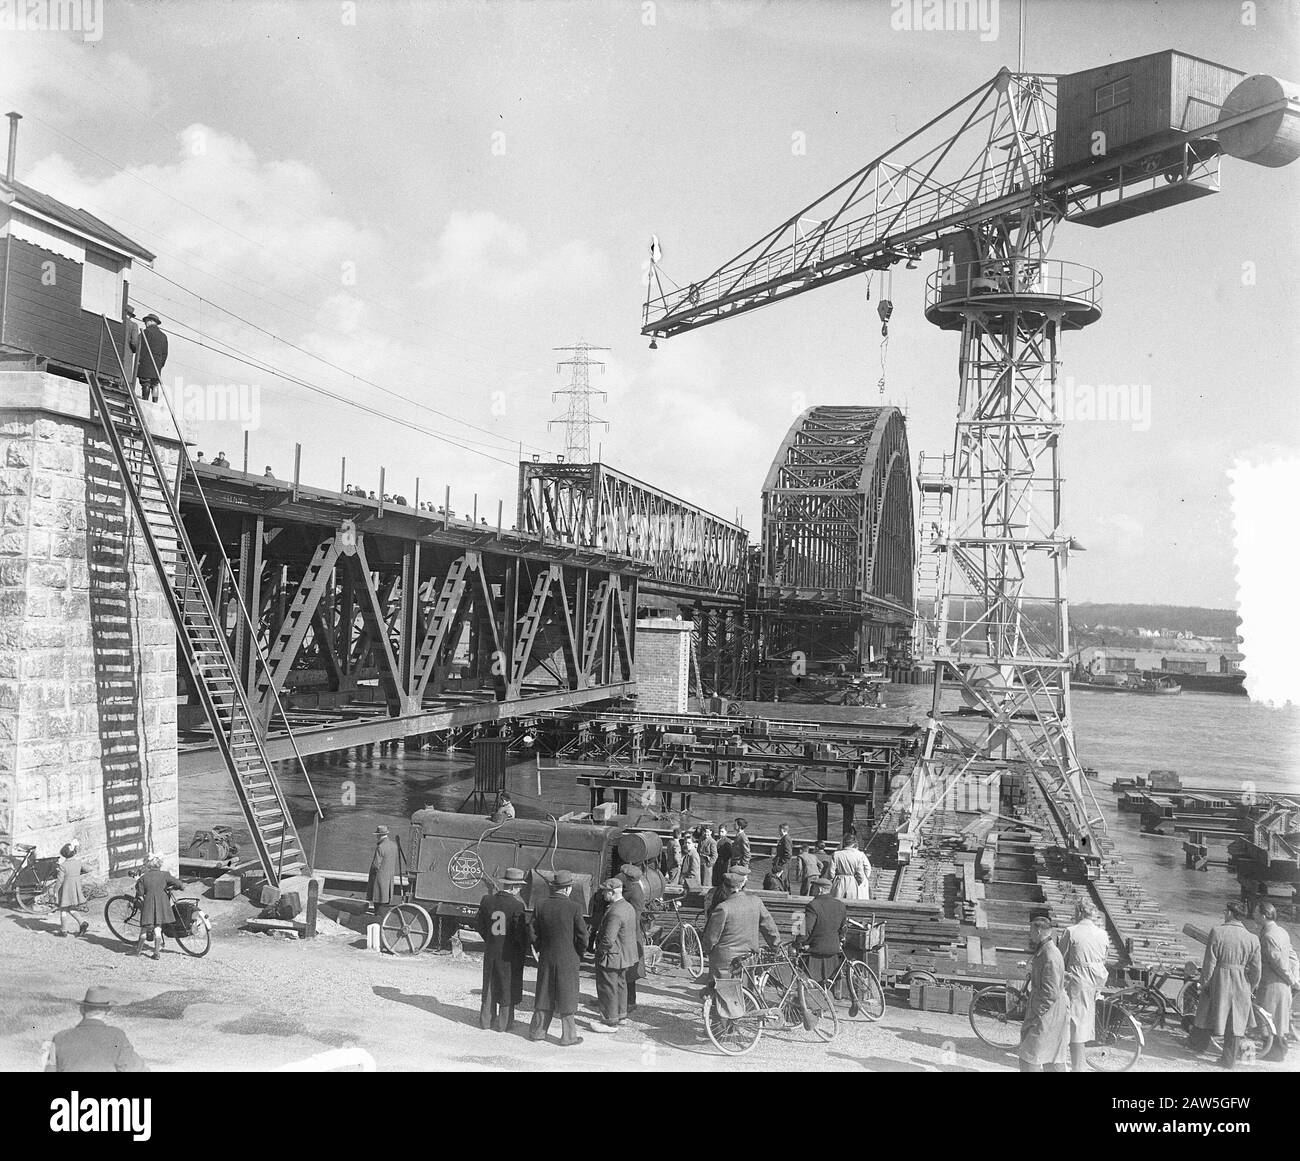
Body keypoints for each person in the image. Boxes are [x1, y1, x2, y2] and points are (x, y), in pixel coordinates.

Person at [1188, 899, 1262, 1068]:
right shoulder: (1253, 938)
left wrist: (1204, 984)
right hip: (1242, 982)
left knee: (1211, 1012)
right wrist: (1252, 986)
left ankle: (1198, 1045)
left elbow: (1210, 963)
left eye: (1225, 911)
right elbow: (1257, 969)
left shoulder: (1217, 932)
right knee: (1236, 1022)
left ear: (1229, 913)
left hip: (1220, 980)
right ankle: (1229, 1060)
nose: (1223, 913)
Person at [529, 870, 588, 1046]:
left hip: (547, 956)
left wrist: (540, 947)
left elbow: (532, 932)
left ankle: (538, 1032)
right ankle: (568, 1037)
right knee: (567, 995)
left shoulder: (540, 905)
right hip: (569, 958)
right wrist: (579, 952)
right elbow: (583, 936)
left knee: (544, 993)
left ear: (555, 888)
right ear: (568, 889)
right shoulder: (575, 908)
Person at [473, 867, 530, 1033]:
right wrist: (520, 950)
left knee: (489, 985)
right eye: (519, 886)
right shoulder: (517, 905)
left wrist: (491, 939)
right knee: (507, 986)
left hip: (491, 950)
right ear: (513, 887)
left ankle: (485, 1021)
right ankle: (504, 1024)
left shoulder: (487, 900)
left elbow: (479, 925)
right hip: (509, 954)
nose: (520, 890)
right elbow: (520, 934)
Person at [1058, 900, 1112, 1072]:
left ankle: (1075, 1068)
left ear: (1080, 912)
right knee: (1081, 1023)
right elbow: (1105, 958)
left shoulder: (1071, 932)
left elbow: (1060, 958)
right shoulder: (1102, 934)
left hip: (1077, 980)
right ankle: (1075, 1065)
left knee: (1074, 1026)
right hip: (1096, 980)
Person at [701, 869, 781, 982]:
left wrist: (707, 950)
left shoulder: (723, 908)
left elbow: (711, 937)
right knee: (746, 990)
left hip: (725, 961)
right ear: (742, 885)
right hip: (749, 957)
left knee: (722, 993)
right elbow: (769, 927)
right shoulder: (756, 902)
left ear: (725, 888)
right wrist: (776, 946)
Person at [45, 987, 148, 1072]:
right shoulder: (116, 1036)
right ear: (108, 1011)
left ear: (82, 1010)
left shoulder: (60, 1037)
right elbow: (138, 1069)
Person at [1019, 916, 1070, 1072]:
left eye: (1031, 931)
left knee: (1032, 1055)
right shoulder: (1044, 950)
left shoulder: (1050, 954)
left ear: (1038, 930)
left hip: (1048, 1012)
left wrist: (1036, 1012)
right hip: (1049, 1010)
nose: (1029, 935)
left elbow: (1051, 991)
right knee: (1048, 1056)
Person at [591, 878, 637, 1032]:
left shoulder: (615, 912)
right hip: (625, 955)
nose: (603, 894)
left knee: (607, 987)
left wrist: (600, 952)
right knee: (621, 985)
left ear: (612, 892)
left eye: (605, 891)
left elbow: (608, 938)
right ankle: (621, 1015)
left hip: (612, 956)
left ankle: (609, 1022)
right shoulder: (628, 907)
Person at [800, 877, 853, 1011]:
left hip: (815, 949)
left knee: (804, 969)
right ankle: (825, 998)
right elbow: (843, 928)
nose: (812, 891)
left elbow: (806, 929)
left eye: (813, 888)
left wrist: (800, 943)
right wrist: (839, 940)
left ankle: (810, 1003)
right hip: (833, 949)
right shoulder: (840, 905)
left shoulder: (813, 905)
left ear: (819, 889)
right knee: (827, 977)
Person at [1256, 902, 1298, 1062]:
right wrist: (1294, 977)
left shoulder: (1268, 936)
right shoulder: (1282, 932)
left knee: (1268, 1020)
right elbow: (1292, 956)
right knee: (1278, 1021)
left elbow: (1278, 963)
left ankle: (1274, 1054)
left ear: (1263, 916)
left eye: (1255, 912)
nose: (1253, 915)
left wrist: (1291, 979)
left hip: (1272, 985)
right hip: (1282, 986)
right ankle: (1277, 1052)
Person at [134, 855, 184, 960]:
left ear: (148, 866)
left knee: (145, 928)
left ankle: (138, 951)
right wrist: (181, 886)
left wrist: (137, 882)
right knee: (158, 927)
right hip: (162, 903)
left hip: (149, 904)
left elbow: (140, 893)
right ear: (160, 865)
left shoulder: (144, 878)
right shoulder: (165, 875)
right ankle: (156, 953)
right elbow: (176, 882)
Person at [618, 863, 647, 1010]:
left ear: (627, 877)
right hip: (633, 933)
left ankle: (629, 1002)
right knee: (629, 969)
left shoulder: (630, 891)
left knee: (628, 970)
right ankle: (624, 1000)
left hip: (629, 934)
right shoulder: (635, 888)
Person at [55, 840, 89, 938]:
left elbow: (60, 880)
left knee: (63, 910)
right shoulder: (78, 863)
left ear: (64, 855)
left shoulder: (63, 866)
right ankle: (82, 923)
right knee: (71, 908)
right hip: (75, 890)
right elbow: (88, 869)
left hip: (66, 891)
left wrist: (55, 890)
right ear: (74, 852)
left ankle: (64, 930)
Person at [367, 825, 400, 923]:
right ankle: (384, 921)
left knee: (377, 900)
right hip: (389, 880)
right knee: (385, 901)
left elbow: (376, 865)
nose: (376, 837)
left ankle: (377, 920)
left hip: (379, 880)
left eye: (377, 835)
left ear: (379, 835)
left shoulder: (380, 847)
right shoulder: (394, 845)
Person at [829, 834, 872, 901]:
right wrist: (860, 882)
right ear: (853, 843)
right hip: (852, 881)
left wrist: (832, 880)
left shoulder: (836, 854)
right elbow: (860, 872)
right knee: (851, 903)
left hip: (839, 880)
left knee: (837, 902)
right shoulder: (859, 855)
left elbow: (831, 872)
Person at [137, 314, 167, 402]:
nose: (145, 324)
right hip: (157, 365)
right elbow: (165, 354)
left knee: (145, 382)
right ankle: (155, 402)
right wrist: (160, 365)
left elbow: (139, 347)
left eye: (146, 322)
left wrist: (139, 360)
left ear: (150, 321)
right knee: (155, 384)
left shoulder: (145, 332)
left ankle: (145, 401)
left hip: (145, 363)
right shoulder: (163, 336)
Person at [122, 305, 141, 383]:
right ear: (130, 315)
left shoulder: (120, 321)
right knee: (125, 375)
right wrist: (136, 350)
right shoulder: (133, 325)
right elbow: (134, 342)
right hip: (127, 353)